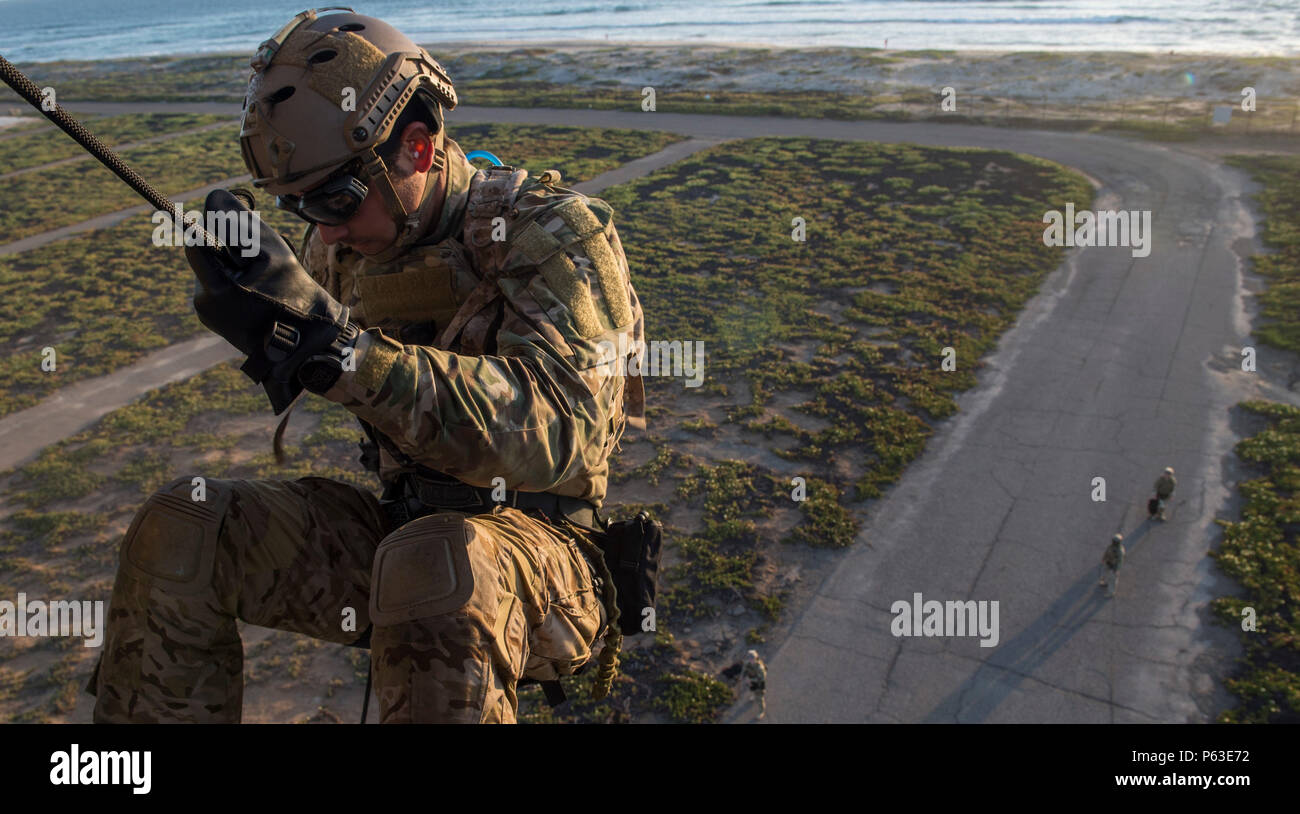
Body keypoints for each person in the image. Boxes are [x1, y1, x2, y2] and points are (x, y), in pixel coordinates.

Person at [87, 8, 646, 723]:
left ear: (417, 145)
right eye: (295, 204)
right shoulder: (342, 247)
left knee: (439, 564)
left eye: (335, 198)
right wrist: (274, 326)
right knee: (185, 525)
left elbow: (560, 431)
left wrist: (348, 355)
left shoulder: (552, 234)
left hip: (548, 560)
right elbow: (327, 345)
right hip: (397, 533)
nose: (323, 228)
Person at [742, 649, 768, 720]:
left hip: (759, 683)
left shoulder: (760, 668)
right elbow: (744, 670)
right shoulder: (747, 663)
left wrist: (750, 680)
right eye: (749, 658)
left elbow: (762, 679)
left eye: (752, 658)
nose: (750, 660)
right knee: (753, 690)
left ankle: (761, 711)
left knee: (760, 698)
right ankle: (754, 695)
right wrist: (742, 677)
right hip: (752, 682)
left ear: (756, 658)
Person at [1099, 533, 1125, 598]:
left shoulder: (1120, 551)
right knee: (1104, 572)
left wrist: (1116, 569)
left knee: (1112, 580)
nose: (1114, 542)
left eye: (1115, 541)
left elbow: (1120, 562)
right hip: (1108, 562)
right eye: (1114, 541)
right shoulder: (1111, 546)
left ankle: (1111, 592)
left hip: (1114, 566)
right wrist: (1104, 558)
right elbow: (1107, 552)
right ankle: (1104, 582)